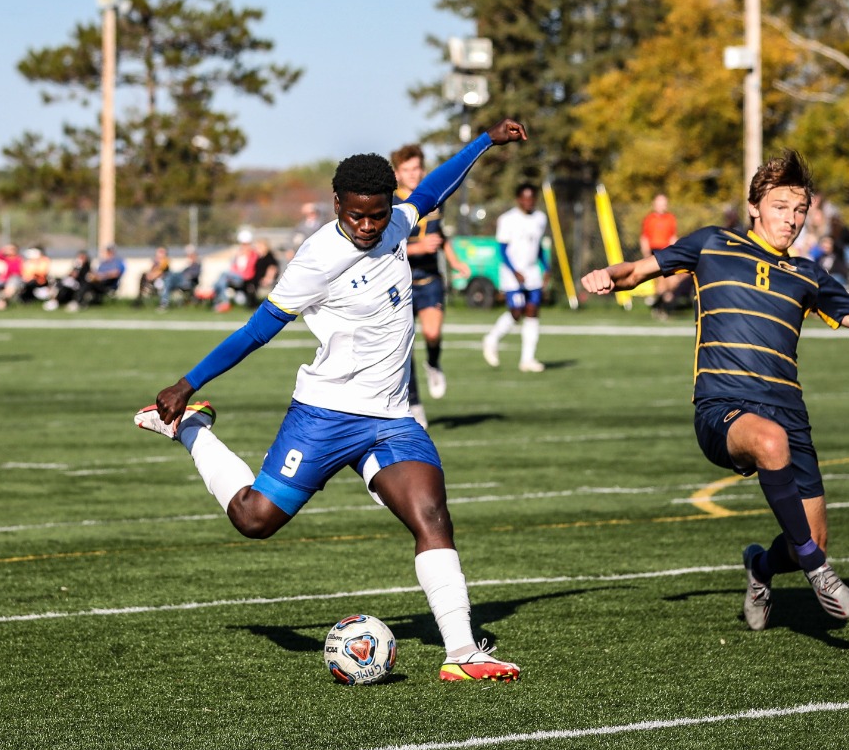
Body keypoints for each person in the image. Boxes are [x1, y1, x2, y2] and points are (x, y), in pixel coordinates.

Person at [136, 119, 533, 681]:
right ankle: (192, 431)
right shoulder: (316, 260)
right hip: (324, 413)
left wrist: (485, 143)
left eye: (377, 213)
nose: (369, 225)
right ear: (337, 204)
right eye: (356, 215)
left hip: (392, 418)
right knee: (255, 520)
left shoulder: (397, 221)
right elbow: (255, 331)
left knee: (431, 517)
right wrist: (187, 384)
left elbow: (434, 189)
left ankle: (462, 653)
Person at [581, 149, 849, 631]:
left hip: (789, 414)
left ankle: (764, 567)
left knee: (808, 536)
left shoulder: (809, 275)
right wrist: (609, 275)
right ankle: (818, 572)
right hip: (722, 409)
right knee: (772, 451)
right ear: (754, 206)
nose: (791, 220)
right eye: (780, 207)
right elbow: (637, 271)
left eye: (799, 211)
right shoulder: (711, 245)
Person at [391, 143, 465, 410]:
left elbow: (439, 234)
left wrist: (455, 262)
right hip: (399, 284)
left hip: (430, 277)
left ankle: (433, 363)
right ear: (397, 173)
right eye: (407, 169)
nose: (414, 174)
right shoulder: (391, 204)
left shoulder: (435, 196)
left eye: (417, 168)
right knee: (403, 346)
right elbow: (384, 247)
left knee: (432, 334)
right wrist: (417, 248)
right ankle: (414, 405)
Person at [483, 183, 549, 372]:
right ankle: (491, 339)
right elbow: (502, 249)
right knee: (517, 310)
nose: (528, 202)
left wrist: (546, 267)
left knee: (533, 310)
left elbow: (538, 247)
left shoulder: (540, 218)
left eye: (532, 198)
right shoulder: (508, 219)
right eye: (525, 198)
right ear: (518, 199)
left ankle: (527, 359)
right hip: (512, 274)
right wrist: (515, 271)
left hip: (532, 271)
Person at [639, 192, 684, 315]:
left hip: (667, 252)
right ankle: (662, 307)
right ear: (654, 204)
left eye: (664, 203)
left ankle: (661, 303)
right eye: (660, 202)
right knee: (662, 281)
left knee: (673, 281)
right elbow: (645, 237)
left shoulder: (670, 218)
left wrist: (676, 252)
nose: (662, 205)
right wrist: (646, 254)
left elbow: (672, 237)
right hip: (655, 252)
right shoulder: (649, 219)